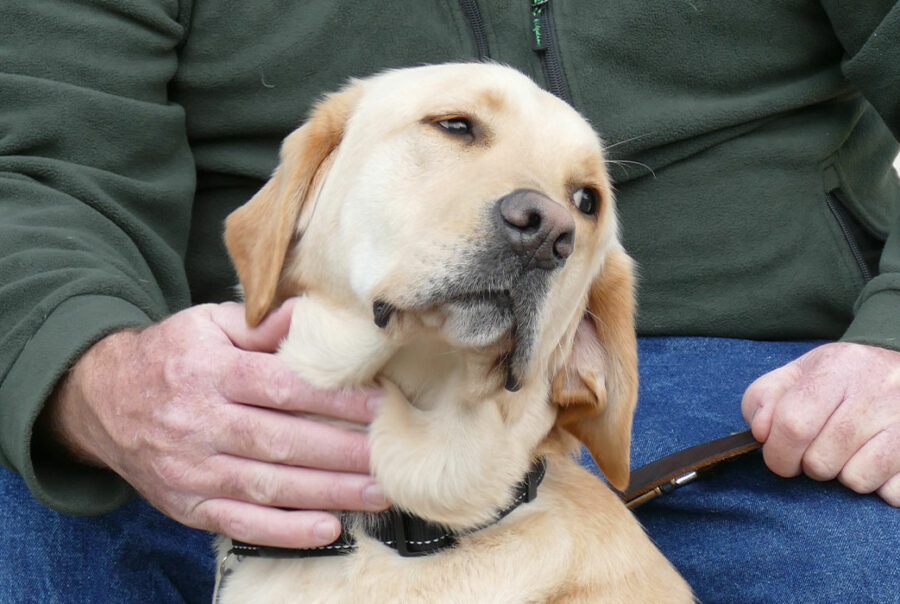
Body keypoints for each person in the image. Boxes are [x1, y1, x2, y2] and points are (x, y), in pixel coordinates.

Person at [1, 1, 897, 602]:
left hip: (755, 390)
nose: (540, 221)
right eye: (455, 131)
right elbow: (35, 166)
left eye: (577, 205)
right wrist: (90, 373)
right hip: (215, 395)